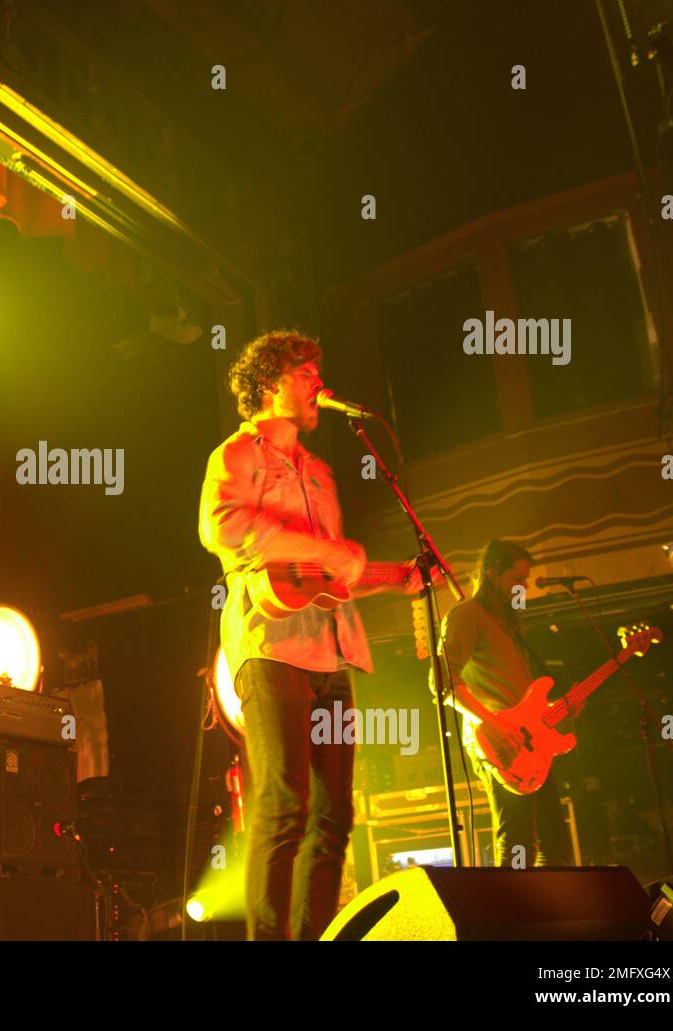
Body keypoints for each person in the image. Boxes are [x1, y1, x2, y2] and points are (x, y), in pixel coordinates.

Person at [198, 328, 413, 940]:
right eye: (305, 372)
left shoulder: (319, 470)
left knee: (335, 814)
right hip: (272, 648)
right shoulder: (235, 456)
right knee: (284, 803)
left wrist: (394, 577)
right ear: (269, 384)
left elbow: (327, 575)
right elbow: (224, 526)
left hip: (331, 654)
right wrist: (325, 547)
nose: (319, 382)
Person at [437, 539, 573, 867]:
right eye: (517, 579)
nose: (524, 587)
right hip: (499, 743)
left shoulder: (509, 623)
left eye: (525, 580)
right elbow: (442, 684)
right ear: (492, 573)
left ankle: (556, 911)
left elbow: (520, 694)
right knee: (518, 841)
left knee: (555, 842)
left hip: (531, 740)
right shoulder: (466, 615)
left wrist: (556, 709)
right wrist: (494, 724)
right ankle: (515, 912)